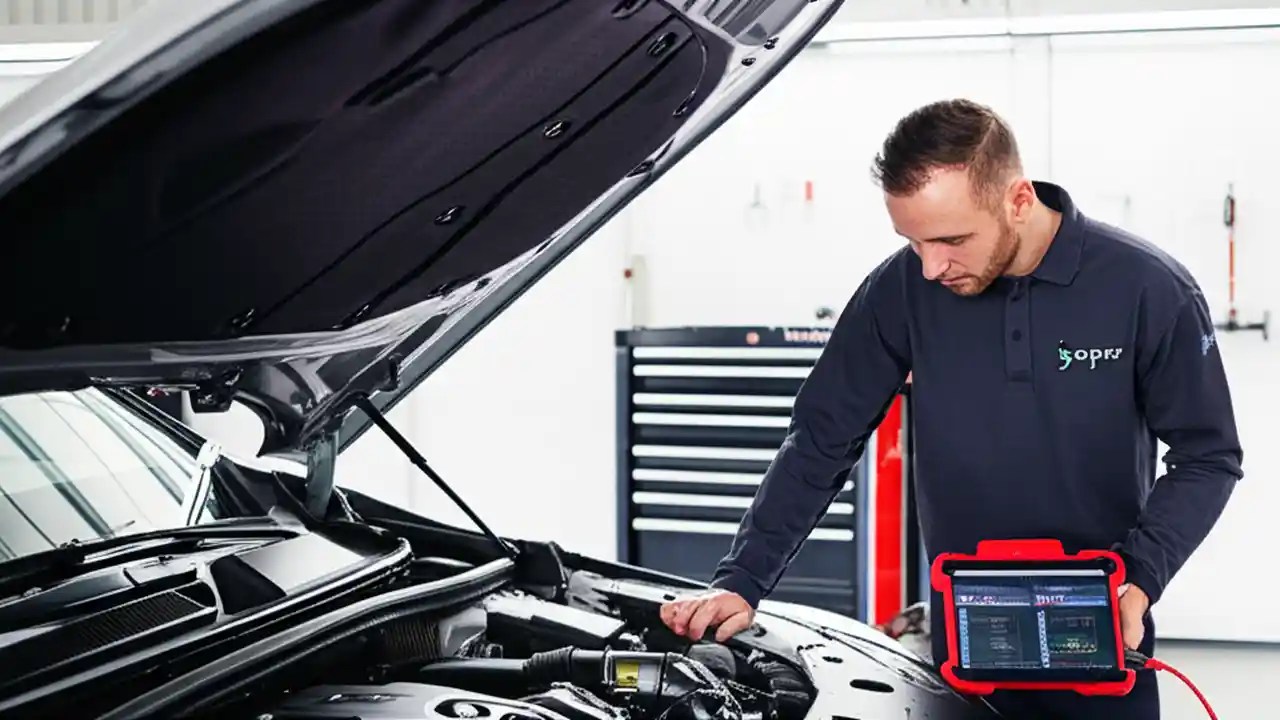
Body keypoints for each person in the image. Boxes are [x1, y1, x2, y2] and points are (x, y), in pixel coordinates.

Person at [658, 98, 1242, 719]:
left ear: (1018, 200)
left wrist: (1141, 575)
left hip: (1100, 629)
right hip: (963, 649)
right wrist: (742, 579)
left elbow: (1208, 455)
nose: (932, 266)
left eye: (952, 239)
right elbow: (820, 440)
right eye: (913, 242)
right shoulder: (899, 289)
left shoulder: (1148, 288)